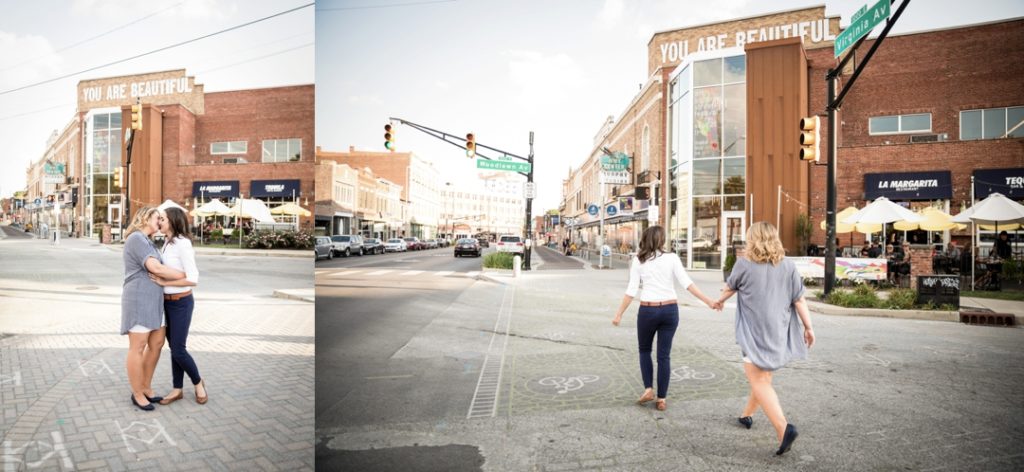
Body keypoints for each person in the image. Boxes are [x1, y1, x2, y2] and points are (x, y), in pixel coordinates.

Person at [716, 222, 814, 456]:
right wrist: (809, 328)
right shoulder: (788, 266)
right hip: (777, 330)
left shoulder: (744, 264)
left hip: (754, 331)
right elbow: (799, 300)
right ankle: (746, 414)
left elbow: (730, 287)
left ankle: (783, 428)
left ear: (753, 239)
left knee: (758, 379)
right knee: (764, 377)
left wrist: (719, 300)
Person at [611, 225, 717, 411]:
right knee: (664, 356)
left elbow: (631, 290)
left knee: (644, 350)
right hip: (670, 310)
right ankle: (662, 399)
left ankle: (649, 389)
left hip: (648, 311)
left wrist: (619, 313)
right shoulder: (672, 258)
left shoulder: (639, 260)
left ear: (646, 239)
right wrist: (708, 301)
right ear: (661, 240)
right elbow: (687, 284)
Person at [121, 206, 187, 411]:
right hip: (139, 299)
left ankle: (147, 387)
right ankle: (137, 393)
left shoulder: (149, 241)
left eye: (161, 219)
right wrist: (183, 275)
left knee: (157, 342)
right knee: (138, 346)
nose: (160, 222)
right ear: (145, 217)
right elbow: (155, 268)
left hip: (155, 301)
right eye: (158, 218)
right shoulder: (136, 238)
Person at [150, 207, 206, 406]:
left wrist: (165, 283)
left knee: (179, 349)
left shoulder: (183, 244)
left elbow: (193, 278)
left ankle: (198, 383)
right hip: (166, 304)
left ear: (172, 221)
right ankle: (177, 389)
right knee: (174, 348)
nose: (159, 222)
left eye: (162, 219)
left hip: (181, 303)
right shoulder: (166, 242)